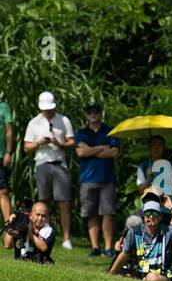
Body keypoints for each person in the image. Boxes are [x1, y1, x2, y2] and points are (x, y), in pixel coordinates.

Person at [23, 91, 76, 248]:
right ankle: (43, 234)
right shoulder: (34, 122)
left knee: (64, 201)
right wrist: (40, 143)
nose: (47, 111)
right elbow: (27, 147)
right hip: (42, 163)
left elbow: (72, 142)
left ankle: (66, 239)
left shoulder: (63, 120)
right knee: (43, 202)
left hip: (59, 163)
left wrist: (59, 143)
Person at [73, 102, 120, 258]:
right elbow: (80, 153)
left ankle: (107, 247)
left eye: (96, 111)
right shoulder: (81, 133)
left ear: (100, 113)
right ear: (86, 115)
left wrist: (91, 150)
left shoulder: (110, 131)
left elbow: (113, 153)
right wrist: (101, 148)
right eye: (90, 112)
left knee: (107, 213)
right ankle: (95, 247)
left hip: (107, 177)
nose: (93, 114)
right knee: (91, 213)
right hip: (88, 178)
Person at [108, 199, 172, 281]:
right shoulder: (134, 232)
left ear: (160, 217)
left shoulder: (167, 230)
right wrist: (112, 272)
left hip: (164, 274)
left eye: (155, 213)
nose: (151, 216)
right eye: (148, 213)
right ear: (144, 217)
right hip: (141, 273)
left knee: (152, 277)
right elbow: (124, 254)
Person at [0, 90, 13, 223]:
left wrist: (8, 153)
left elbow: (9, 131)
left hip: (0, 155)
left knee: (3, 191)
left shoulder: (4, 107)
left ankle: (7, 226)